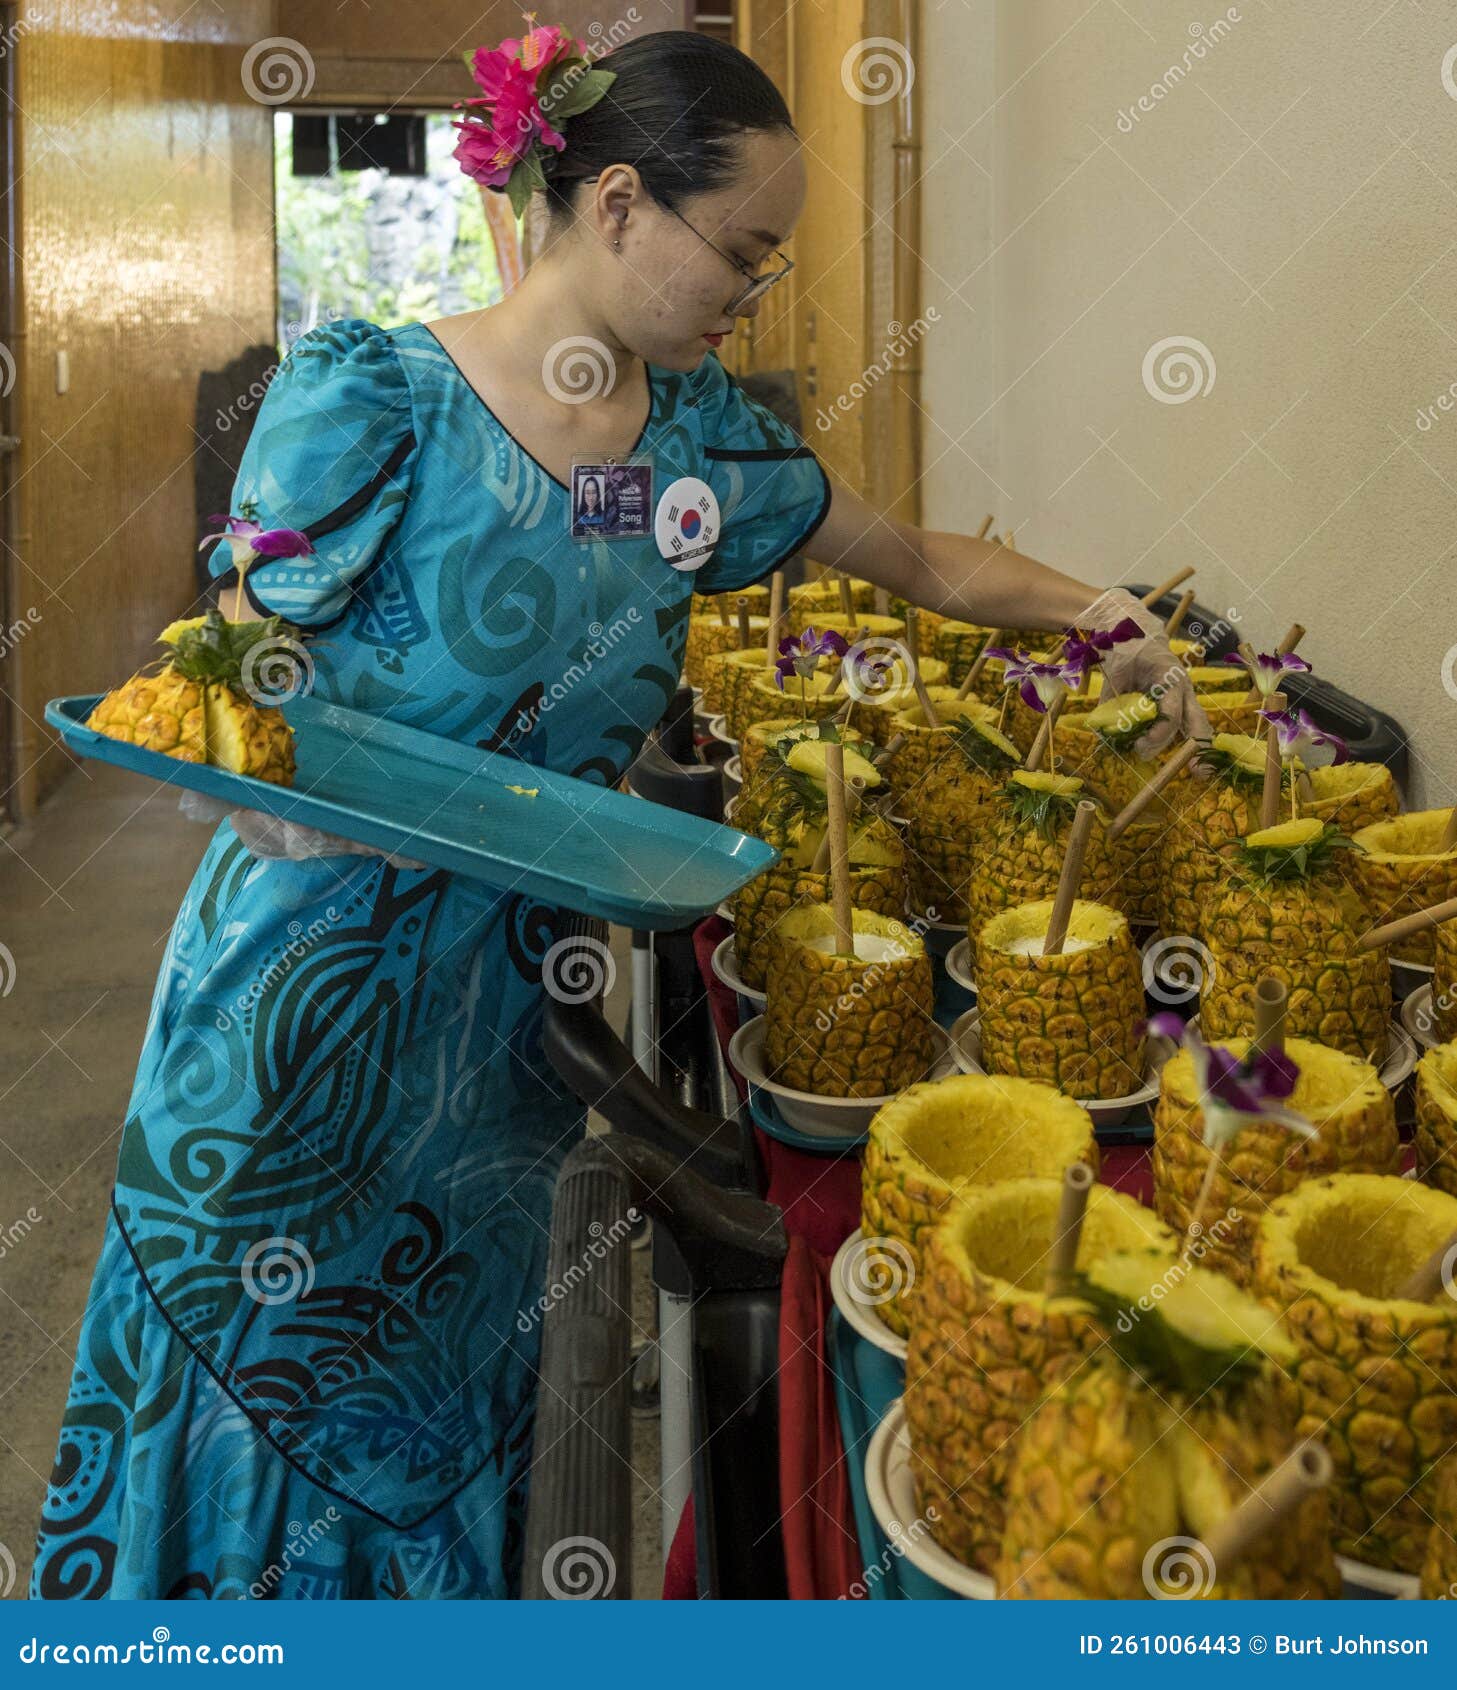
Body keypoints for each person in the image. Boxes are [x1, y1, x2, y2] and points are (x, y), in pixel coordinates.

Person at [31, 25, 1203, 1602]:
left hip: (503, 1044)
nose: (754, 294)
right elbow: (238, 660)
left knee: (445, 1417)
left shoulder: (699, 443)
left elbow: (917, 563)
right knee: (259, 1412)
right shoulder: (374, 397)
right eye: (744, 251)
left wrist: (1101, 611)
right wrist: (266, 792)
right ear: (625, 204)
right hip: (294, 1031)